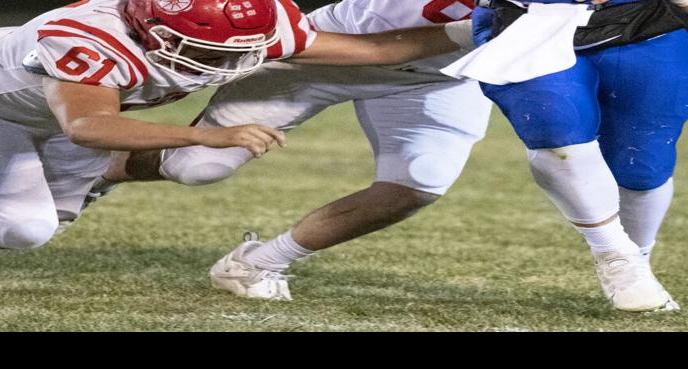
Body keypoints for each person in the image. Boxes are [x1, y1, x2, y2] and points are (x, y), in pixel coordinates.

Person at [0, 0, 472, 257]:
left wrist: (480, 28)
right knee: (19, 231)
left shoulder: (247, 21)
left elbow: (375, 51)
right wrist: (205, 135)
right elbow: (89, 127)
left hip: (76, 113)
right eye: (215, 53)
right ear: (156, 32)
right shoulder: (87, 43)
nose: (236, 63)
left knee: (50, 215)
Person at [99, 0, 494, 302]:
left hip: (438, 79)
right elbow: (380, 47)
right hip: (333, 48)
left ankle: (256, 264)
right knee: (198, 167)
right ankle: (96, 170)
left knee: (420, 180)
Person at [460, 0, 688, 311]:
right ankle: (614, 253)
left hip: (645, 24)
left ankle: (636, 259)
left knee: (642, 166)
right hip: (527, 20)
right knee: (554, 124)